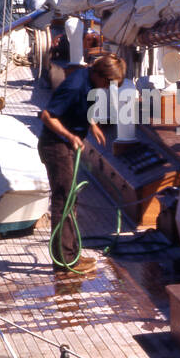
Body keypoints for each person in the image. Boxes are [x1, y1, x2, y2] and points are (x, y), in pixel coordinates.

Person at [38, 52, 126, 272]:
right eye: (108, 84)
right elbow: (47, 116)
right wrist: (71, 137)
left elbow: (80, 107)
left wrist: (91, 124)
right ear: (100, 75)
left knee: (71, 199)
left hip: (65, 144)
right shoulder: (76, 85)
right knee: (64, 201)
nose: (108, 89)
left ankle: (71, 253)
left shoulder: (90, 81)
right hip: (55, 146)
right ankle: (65, 261)